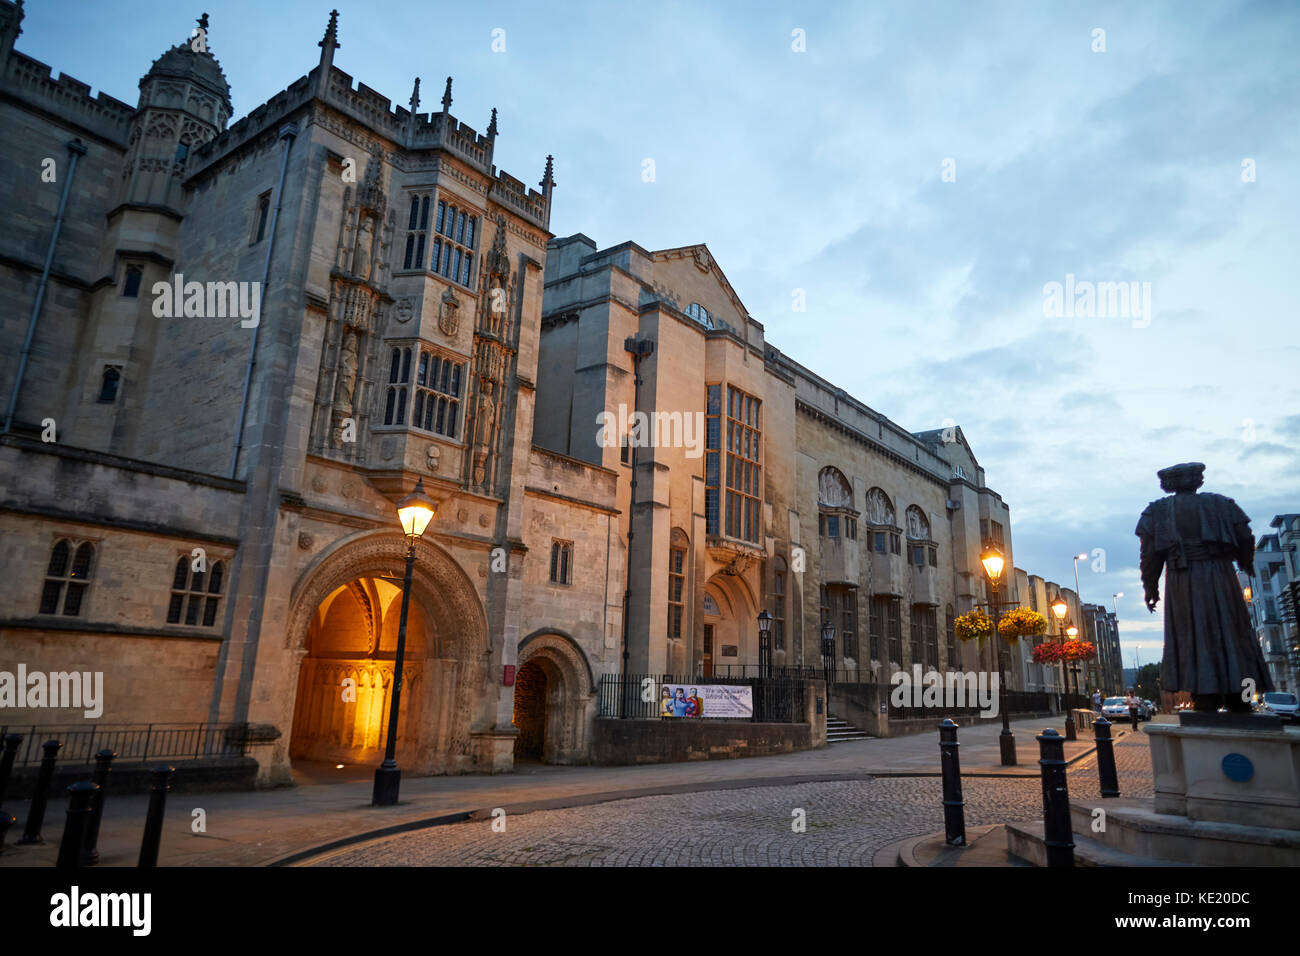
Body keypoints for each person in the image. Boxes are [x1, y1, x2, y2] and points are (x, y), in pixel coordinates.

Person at [1136, 462, 1272, 711]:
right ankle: (1240, 699)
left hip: (1183, 578)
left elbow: (1149, 556)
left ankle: (1204, 697)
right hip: (1221, 576)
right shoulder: (1221, 504)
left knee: (1192, 635)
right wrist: (1246, 564)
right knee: (1231, 631)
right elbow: (1245, 536)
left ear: (1168, 485)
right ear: (1198, 480)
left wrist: (1151, 588)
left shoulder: (1158, 510)